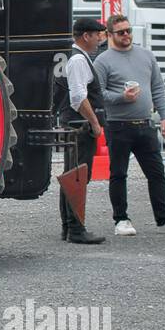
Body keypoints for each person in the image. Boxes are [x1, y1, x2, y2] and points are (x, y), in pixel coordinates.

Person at [93, 14, 165, 237]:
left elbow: (157, 87)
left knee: (156, 173)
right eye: (121, 32)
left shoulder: (146, 55)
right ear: (110, 35)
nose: (126, 35)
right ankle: (121, 219)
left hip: (146, 124)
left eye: (128, 31)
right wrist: (122, 97)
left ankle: (164, 218)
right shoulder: (103, 61)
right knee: (118, 173)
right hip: (118, 125)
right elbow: (99, 94)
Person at [51, 17, 109, 244]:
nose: (99, 39)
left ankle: (70, 226)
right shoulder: (78, 60)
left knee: (72, 176)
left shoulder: (76, 58)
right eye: (97, 35)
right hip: (79, 126)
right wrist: (94, 122)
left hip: (75, 125)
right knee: (77, 177)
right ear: (86, 36)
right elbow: (77, 97)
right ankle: (75, 228)